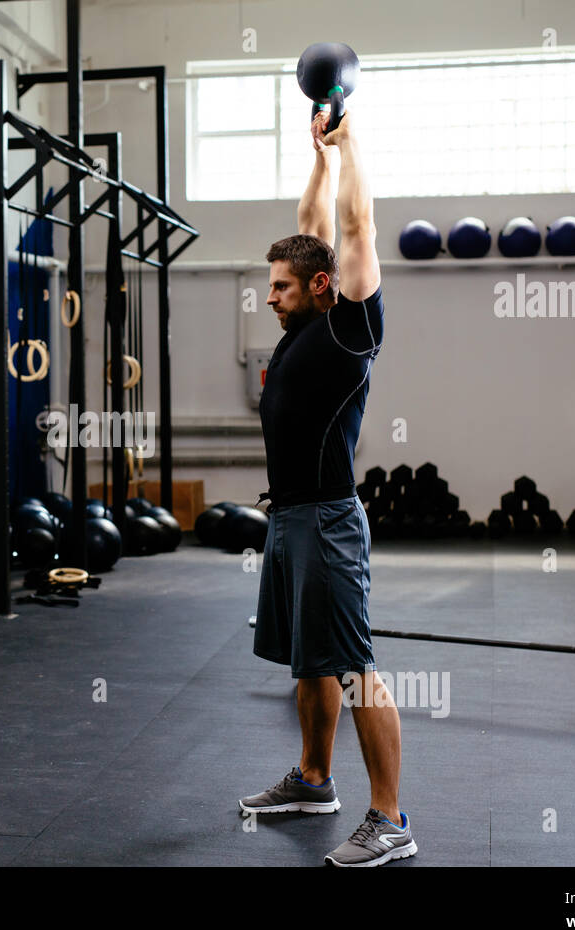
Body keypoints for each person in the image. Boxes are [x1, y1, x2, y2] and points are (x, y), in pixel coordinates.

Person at [239, 106, 415, 867]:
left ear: (319, 286)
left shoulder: (351, 326)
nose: (268, 297)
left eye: (280, 287)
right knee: (308, 662)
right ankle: (315, 778)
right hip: (289, 521)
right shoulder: (300, 327)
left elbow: (354, 225)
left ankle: (391, 819)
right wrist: (315, 157)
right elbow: (313, 220)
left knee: (354, 665)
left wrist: (349, 149)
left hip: (332, 521)